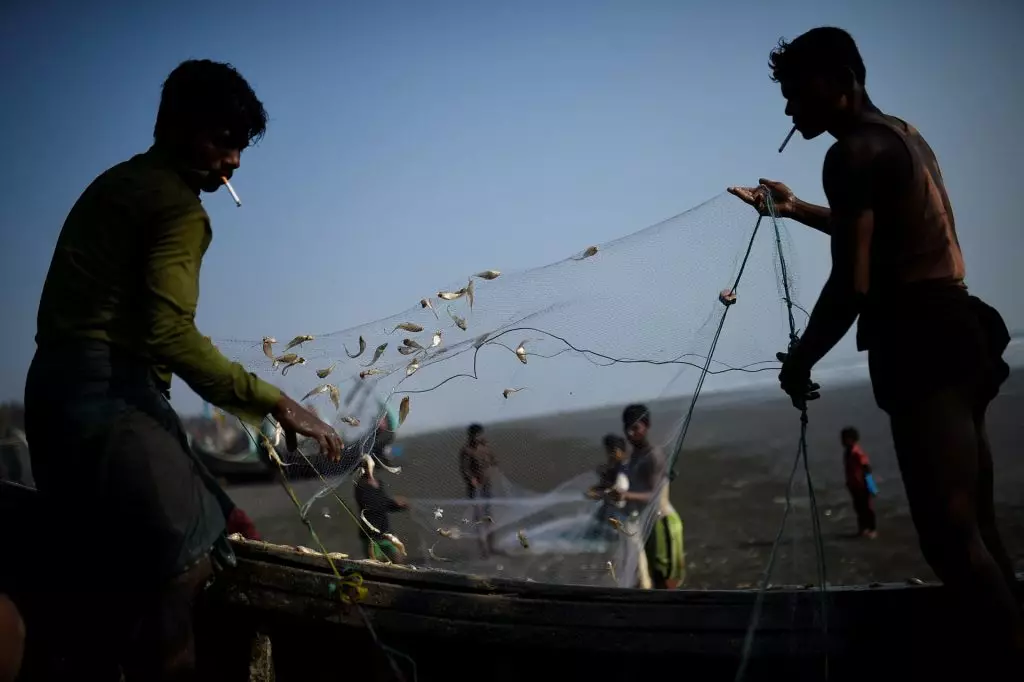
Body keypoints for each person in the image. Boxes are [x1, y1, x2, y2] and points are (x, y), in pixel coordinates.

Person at [23, 59, 343, 680]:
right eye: (225, 142)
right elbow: (165, 333)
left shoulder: (113, 183)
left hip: (55, 396)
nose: (235, 162)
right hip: (108, 398)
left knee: (190, 534)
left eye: (241, 146)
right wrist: (277, 401)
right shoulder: (178, 210)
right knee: (186, 561)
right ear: (181, 128)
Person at [728, 27, 1021, 656]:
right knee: (979, 528)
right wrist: (795, 207)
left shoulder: (852, 153)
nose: (788, 108)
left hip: (923, 341)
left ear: (839, 82)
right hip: (963, 328)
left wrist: (800, 359)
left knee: (949, 539)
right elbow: (878, 231)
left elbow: (852, 282)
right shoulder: (901, 133)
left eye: (795, 91)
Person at [612, 404, 685, 589]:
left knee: (665, 578)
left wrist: (625, 495)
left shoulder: (653, 455)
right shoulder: (634, 456)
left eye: (635, 428)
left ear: (646, 426)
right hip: (647, 525)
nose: (631, 433)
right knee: (647, 578)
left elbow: (653, 496)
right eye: (627, 428)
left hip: (663, 523)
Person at [354, 456, 409, 563]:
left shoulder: (379, 483)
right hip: (370, 533)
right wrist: (393, 502)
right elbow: (373, 505)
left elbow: (384, 504)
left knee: (398, 556)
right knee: (376, 562)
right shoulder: (360, 485)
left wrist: (399, 505)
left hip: (385, 530)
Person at [459, 424, 498, 557]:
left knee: (489, 516)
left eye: (479, 434)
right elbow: (464, 469)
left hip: (487, 485)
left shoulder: (485, 447)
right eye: (475, 435)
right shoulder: (466, 450)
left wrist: (491, 469)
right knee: (479, 518)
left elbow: (494, 461)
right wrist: (471, 479)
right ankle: (484, 550)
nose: (478, 437)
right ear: (470, 435)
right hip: (474, 489)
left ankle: (492, 546)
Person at [840, 427, 877, 539]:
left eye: (844, 438)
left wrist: (872, 486)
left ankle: (872, 529)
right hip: (854, 485)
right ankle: (862, 529)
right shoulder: (847, 452)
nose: (842, 441)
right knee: (858, 508)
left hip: (863, 485)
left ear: (852, 439)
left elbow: (867, 468)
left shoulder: (857, 452)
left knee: (867, 508)